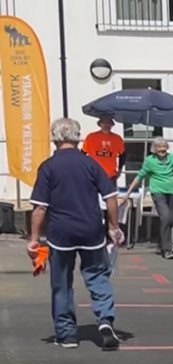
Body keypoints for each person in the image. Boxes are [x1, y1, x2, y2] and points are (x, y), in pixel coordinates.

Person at [25, 117, 122, 350]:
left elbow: (39, 207)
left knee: (61, 283)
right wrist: (113, 226)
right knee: (98, 276)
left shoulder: (48, 167)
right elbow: (110, 197)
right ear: (78, 138)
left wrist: (34, 239)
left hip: (61, 233)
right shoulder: (90, 164)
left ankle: (67, 334)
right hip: (91, 230)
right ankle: (105, 320)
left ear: (54, 138)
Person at [121, 137, 173, 259]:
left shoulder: (172, 158)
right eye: (159, 147)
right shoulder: (149, 161)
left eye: (164, 147)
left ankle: (161, 243)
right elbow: (140, 176)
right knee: (165, 216)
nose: (162, 149)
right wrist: (128, 192)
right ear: (154, 149)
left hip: (172, 190)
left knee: (170, 221)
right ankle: (167, 250)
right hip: (158, 191)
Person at [81, 116, 125, 185]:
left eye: (108, 123)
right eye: (104, 123)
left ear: (111, 124)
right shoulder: (91, 137)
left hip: (110, 175)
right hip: (93, 174)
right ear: (100, 124)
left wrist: (119, 170)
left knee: (111, 195)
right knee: (91, 195)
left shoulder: (117, 138)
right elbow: (82, 154)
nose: (106, 125)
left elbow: (122, 155)